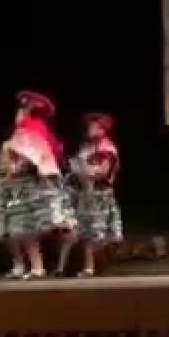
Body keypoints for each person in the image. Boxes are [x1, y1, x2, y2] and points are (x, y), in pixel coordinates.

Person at [0, 91, 72, 279]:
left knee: (28, 229)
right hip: (13, 188)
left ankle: (37, 267)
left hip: (27, 187)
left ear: (29, 112)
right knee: (13, 228)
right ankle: (20, 265)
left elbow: (31, 159)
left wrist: (14, 168)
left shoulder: (31, 131)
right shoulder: (22, 133)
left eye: (22, 110)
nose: (17, 114)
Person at [55, 113, 124, 278]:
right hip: (84, 194)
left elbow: (102, 172)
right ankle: (67, 266)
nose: (89, 129)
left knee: (95, 232)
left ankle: (91, 267)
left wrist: (86, 170)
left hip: (98, 195)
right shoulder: (87, 146)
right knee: (80, 230)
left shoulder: (106, 148)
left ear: (102, 129)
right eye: (89, 126)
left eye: (93, 126)